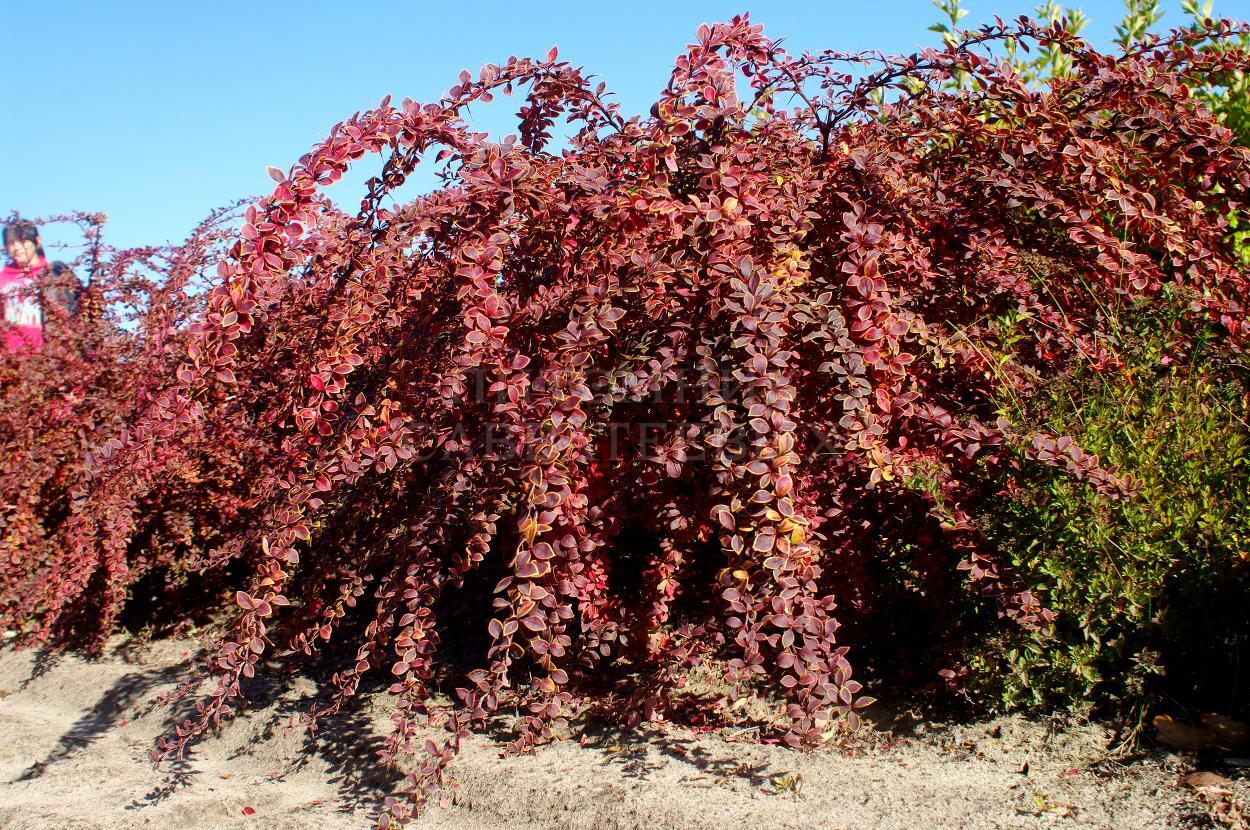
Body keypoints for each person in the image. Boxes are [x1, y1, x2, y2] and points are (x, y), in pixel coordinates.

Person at [1, 221, 81, 351]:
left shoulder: (56, 274)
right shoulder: (2, 279)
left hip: (47, 359)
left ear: (37, 241)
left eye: (22, 241)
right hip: (11, 363)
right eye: (11, 243)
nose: (16, 247)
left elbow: (78, 313)